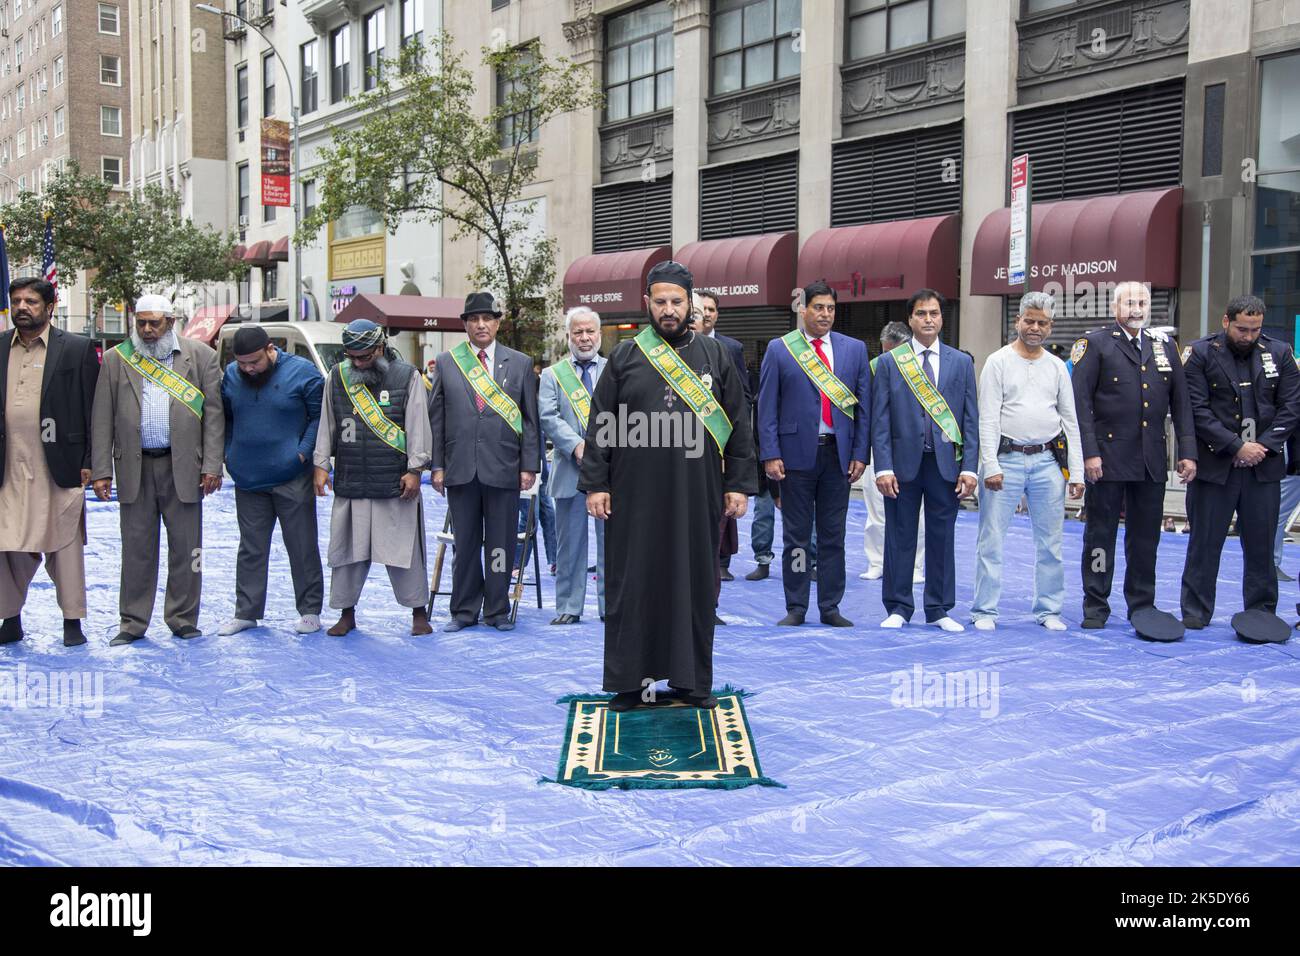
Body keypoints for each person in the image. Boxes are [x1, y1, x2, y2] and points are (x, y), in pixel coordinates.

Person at [579, 261, 757, 711]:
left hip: (697, 494)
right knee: (633, 582)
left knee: (693, 582)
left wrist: (737, 483)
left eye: (677, 301)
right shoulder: (624, 357)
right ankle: (630, 683)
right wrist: (597, 483)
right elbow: (602, 422)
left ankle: (691, 683)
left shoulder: (716, 357)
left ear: (690, 304)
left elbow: (738, 422)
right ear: (647, 305)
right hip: (634, 496)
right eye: (660, 302)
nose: (669, 309)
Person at [91, 294, 224, 646]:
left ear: (171, 321)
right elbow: (102, 417)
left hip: (184, 468)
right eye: (141, 323)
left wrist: (213, 464)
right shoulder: (118, 360)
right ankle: (132, 622)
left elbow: (214, 417)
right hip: (134, 468)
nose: (147, 330)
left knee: (187, 549)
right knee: (136, 549)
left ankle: (182, 617)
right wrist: (101, 469)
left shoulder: (201, 357)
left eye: (155, 323)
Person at [1071, 281, 1196, 636]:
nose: (1136, 308)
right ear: (1115, 307)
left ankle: (1142, 602)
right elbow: (1082, 405)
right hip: (1107, 459)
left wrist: (1187, 451)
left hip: (1150, 458)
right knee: (1100, 536)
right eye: (1129, 302)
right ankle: (1096, 602)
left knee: (1145, 538)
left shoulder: (1164, 345)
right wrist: (1089, 453)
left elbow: (1181, 404)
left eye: (1142, 301)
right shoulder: (1095, 344)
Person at [1179, 295, 1300, 633]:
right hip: (1217, 465)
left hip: (1263, 465)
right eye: (1242, 329)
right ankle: (1196, 610)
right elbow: (1195, 408)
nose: (1249, 336)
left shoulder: (1278, 352)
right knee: (1205, 541)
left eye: (1255, 330)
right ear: (1226, 322)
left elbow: (1291, 406)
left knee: (1262, 544)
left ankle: (1261, 610)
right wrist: (1235, 446)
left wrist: (1263, 445)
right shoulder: (1201, 353)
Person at [757, 279, 871, 627]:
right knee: (796, 536)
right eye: (818, 307)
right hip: (794, 458)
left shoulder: (854, 349)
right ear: (803, 309)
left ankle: (830, 605)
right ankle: (796, 605)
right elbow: (766, 407)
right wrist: (770, 453)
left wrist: (860, 453)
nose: (825, 314)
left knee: (834, 533)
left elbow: (863, 406)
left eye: (831, 308)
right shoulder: (781, 349)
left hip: (838, 456)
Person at [971, 292, 1085, 631]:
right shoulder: (998, 362)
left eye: (1042, 323)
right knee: (991, 539)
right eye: (1029, 321)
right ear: (1017, 321)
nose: (1035, 328)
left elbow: (1070, 420)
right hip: (1005, 461)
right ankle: (985, 611)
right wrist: (989, 465)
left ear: (1051, 327)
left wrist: (1076, 471)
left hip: (1048, 462)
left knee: (1051, 542)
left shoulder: (1057, 368)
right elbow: (988, 417)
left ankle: (1049, 610)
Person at [429, 293, 540, 632]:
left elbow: (530, 420)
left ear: (497, 322)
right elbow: (437, 419)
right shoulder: (447, 362)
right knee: (464, 544)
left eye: (487, 319)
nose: (480, 325)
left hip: (503, 468)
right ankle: (463, 611)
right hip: (460, 468)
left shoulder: (519, 363)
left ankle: (496, 609)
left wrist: (528, 466)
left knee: (500, 544)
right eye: (473, 319)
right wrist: (437, 465)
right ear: (465, 324)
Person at [314, 319, 432, 636]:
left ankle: (418, 612)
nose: (356, 362)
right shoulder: (337, 378)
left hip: (394, 479)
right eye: (351, 356)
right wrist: (321, 463)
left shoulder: (407, 376)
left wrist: (415, 469)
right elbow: (327, 423)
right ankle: (346, 613)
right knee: (347, 553)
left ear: (380, 348)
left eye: (363, 356)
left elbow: (418, 424)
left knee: (405, 551)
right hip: (352, 476)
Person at [0, 277, 99, 647]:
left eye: (31, 301)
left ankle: (72, 623)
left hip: (59, 463)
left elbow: (93, 411)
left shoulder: (76, 348)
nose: (22, 307)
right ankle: (10, 619)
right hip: (8, 464)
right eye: (17, 301)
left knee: (66, 543)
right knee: (7, 545)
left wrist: (93, 460)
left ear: (50, 305)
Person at [872, 288, 979, 631]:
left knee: (941, 536)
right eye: (921, 314)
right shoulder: (891, 362)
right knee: (899, 535)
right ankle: (898, 607)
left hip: (945, 464)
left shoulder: (961, 362)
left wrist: (970, 468)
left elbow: (970, 420)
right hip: (902, 465)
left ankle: (939, 609)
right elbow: (881, 418)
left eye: (934, 313)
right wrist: (883, 465)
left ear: (942, 318)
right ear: (910, 319)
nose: (928, 319)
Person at [219, 325, 326, 636]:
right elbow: (224, 416)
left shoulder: (303, 372)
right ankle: (246, 612)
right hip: (248, 477)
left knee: (301, 545)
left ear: (270, 349)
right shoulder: (231, 375)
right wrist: (229, 452)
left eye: (254, 361)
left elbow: (319, 416)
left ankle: (309, 610)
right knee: (251, 548)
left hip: (292, 475)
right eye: (243, 364)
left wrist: (303, 453)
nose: (249, 369)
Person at [539, 306, 606, 625]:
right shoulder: (552, 375)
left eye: (589, 331)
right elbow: (547, 417)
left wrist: (602, 450)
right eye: (577, 332)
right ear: (568, 337)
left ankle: (611, 606)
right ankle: (568, 605)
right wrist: (577, 445)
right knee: (569, 545)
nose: (584, 337)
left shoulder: (615, 369)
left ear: (600, 335)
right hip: (569, 471)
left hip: (610, 472)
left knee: (613, 545)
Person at [861, 321, 924, 583]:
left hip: (914, 447)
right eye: (884, 350)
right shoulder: (875, 367)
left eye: (892, 350)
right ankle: (877, 561)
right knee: (876, 508)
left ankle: (916, 566)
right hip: (880, 446)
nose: (887, 356)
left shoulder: (922, 368)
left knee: (916, 513)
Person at [695, 290, 748, 584]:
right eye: (699, 309)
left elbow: (742, 399)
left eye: (710, 309)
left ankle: (719, 569)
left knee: (717, 522)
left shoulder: (729, 349)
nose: (704, 315)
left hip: (716, 448)